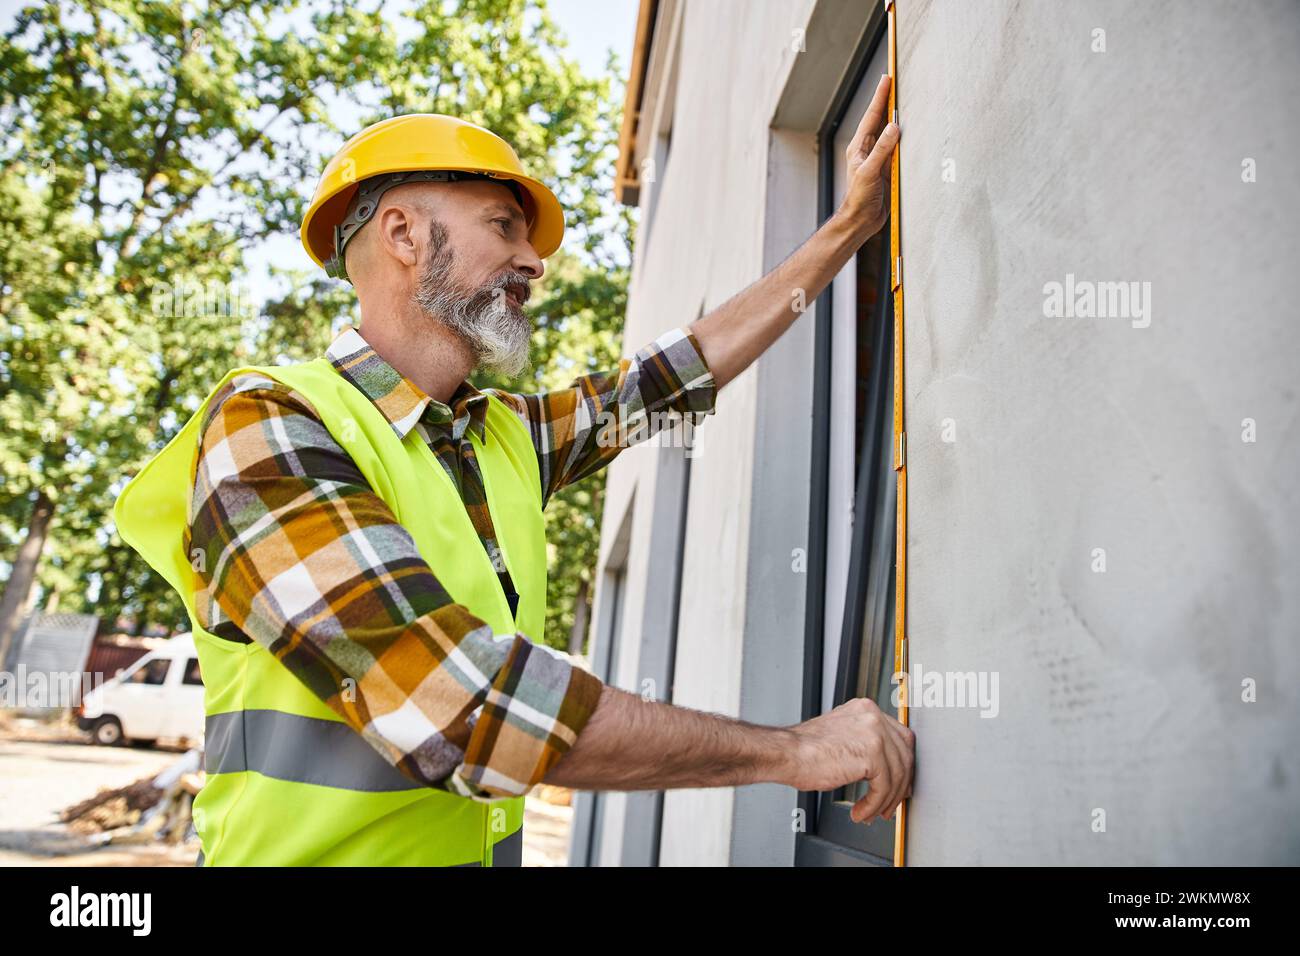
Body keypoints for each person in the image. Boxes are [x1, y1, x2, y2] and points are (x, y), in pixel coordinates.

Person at [113, 76, 911, 866]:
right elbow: (464, 709)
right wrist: (794, 752)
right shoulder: (269, 425)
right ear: (403, 234)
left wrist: (844, 230)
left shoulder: (500, 438)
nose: (533, 260)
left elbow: (662, 383)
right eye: (505, 225)